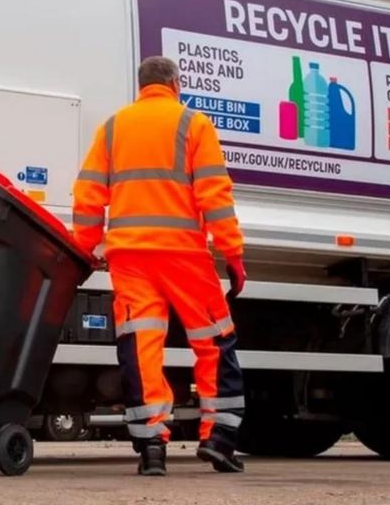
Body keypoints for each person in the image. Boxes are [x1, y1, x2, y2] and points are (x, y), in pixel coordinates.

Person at [72, 56, 247, 475]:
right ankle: (219, 440)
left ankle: (151, 448)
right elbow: (215, 197)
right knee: (213, 341)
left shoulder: (113, 127)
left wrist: (85, 247)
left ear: (141, 85)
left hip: (130, 257)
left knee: (141, 347)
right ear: (175, 83)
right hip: (184, 255)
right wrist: (233, 254)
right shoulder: (194, 124)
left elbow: (88, 193)